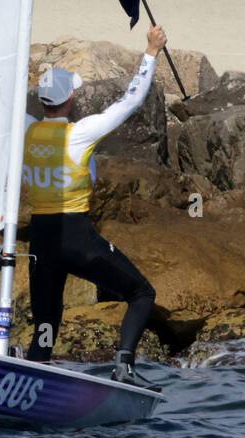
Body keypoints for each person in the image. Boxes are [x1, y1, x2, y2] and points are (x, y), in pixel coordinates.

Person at [23, 24, 168, 387]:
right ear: (69, 99)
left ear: (43, 101)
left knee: (46, 317)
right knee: (141, 292)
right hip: (75, 236)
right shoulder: (80, 133)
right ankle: (123, 366)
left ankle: (35, 368)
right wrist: (151, 52)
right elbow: (131, 101)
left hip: (40, 239)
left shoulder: (22, 130)